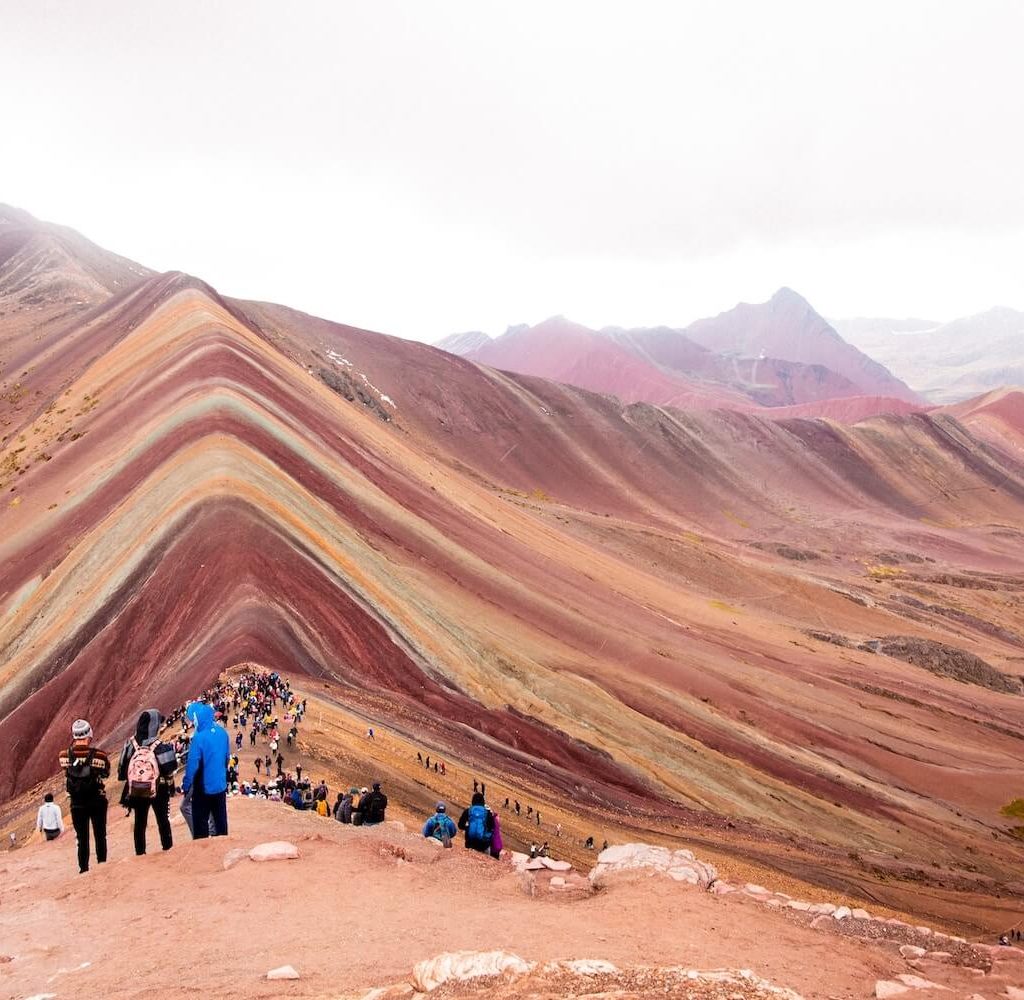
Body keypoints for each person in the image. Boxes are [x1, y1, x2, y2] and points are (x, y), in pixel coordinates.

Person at [117, 708, 178, 855]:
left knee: (140, 822)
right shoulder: (160, 746)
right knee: (163, 819)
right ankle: (167, 849)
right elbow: (171, 767)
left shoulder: (130, 745)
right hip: (160, 787)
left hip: (137, 789)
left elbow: (121, 771)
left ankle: (140, 853)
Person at [59, 719, 111, 873]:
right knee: (100, 834)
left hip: (77, 802)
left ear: (74, 735)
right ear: (89, 733)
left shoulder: (64, 756)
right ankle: (102, 865)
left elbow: (65, 769)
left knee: (82, 839)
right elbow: (106, 772)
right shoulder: (99, 755)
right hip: (96, 800)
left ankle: (84, 869)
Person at [181, 702, 230, 838]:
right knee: (220, 820)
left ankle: (202, 851)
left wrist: (186, 785)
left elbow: (192, 766)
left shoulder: (199, 738)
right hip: (220, 784)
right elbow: (226, 758)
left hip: (203, 787)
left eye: (193, 718)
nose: (192, 722)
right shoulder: (222, 732)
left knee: (200, 822)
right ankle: (221, 847)